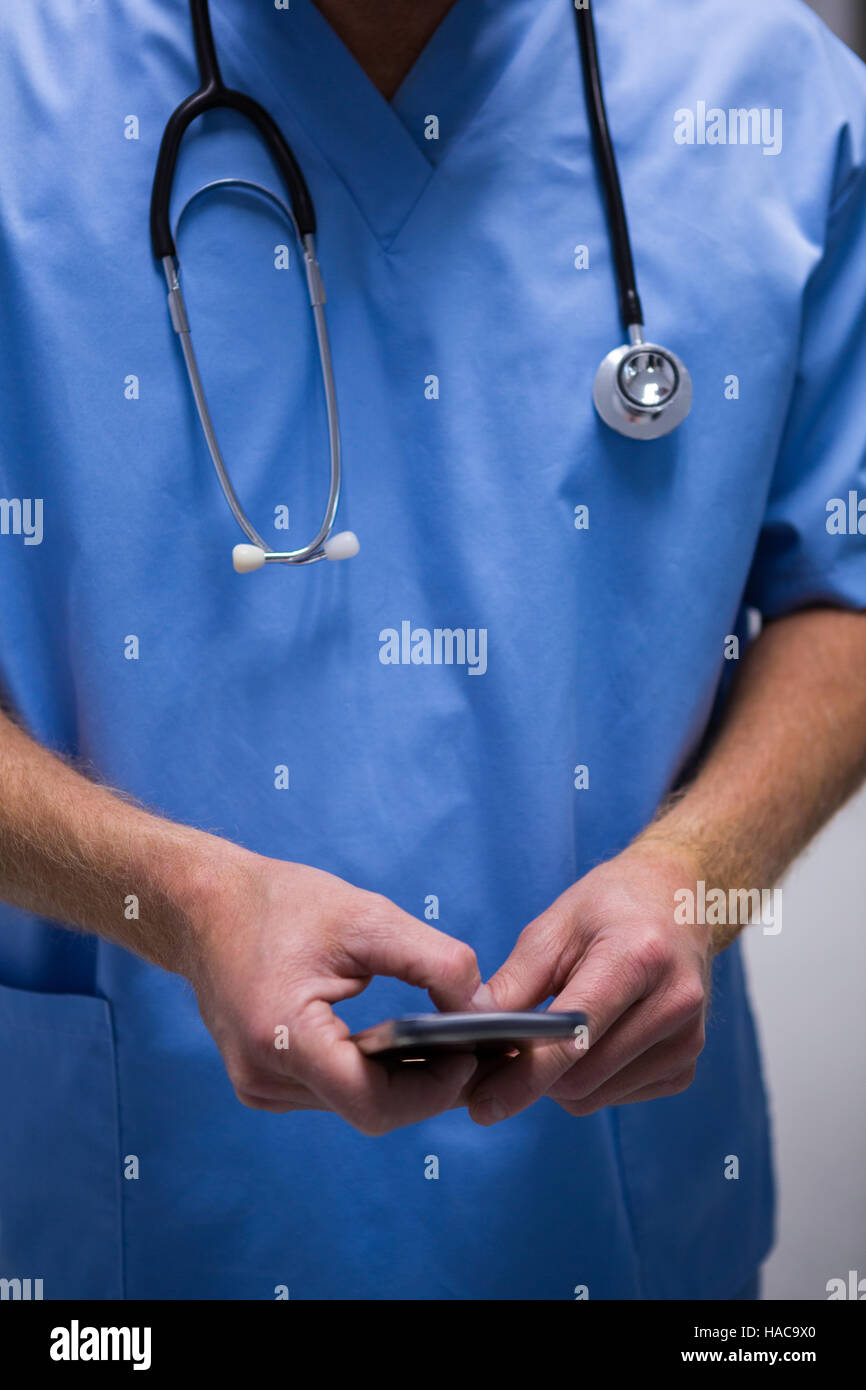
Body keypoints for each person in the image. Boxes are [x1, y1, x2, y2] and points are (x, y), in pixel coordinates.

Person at [1, 0, 864, 1302]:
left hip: (605, 1235)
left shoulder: (774, 96)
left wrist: (702, 873)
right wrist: (169, 897)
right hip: (148, 1240)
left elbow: (842, 591)